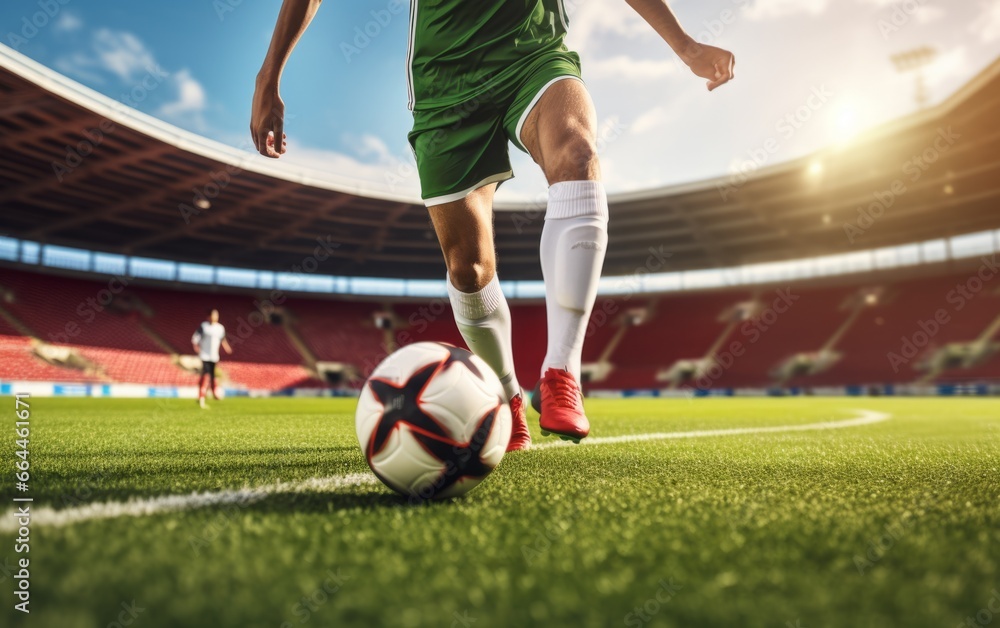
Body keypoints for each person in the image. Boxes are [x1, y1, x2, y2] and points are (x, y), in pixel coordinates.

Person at [250, 0, 735, 449]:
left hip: (534, 53)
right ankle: (507, 397)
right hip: (445, 83)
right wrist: (268, 78)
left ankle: (562, 372)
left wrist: (686, 45)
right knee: (469, 268)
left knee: (578, 154)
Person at [192, 309, 233, 409]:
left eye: (217, 315)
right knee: (206, 375)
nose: (216, 317)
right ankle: (202, 398)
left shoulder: (220, 328)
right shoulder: (204, 326)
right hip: (205, 355)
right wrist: (196, 346)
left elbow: (222, 338)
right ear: (209, 316)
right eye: (214, 315)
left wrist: (227, 347)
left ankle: (213, 391)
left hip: (214, 356)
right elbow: (195, 337)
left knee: (212, 375)